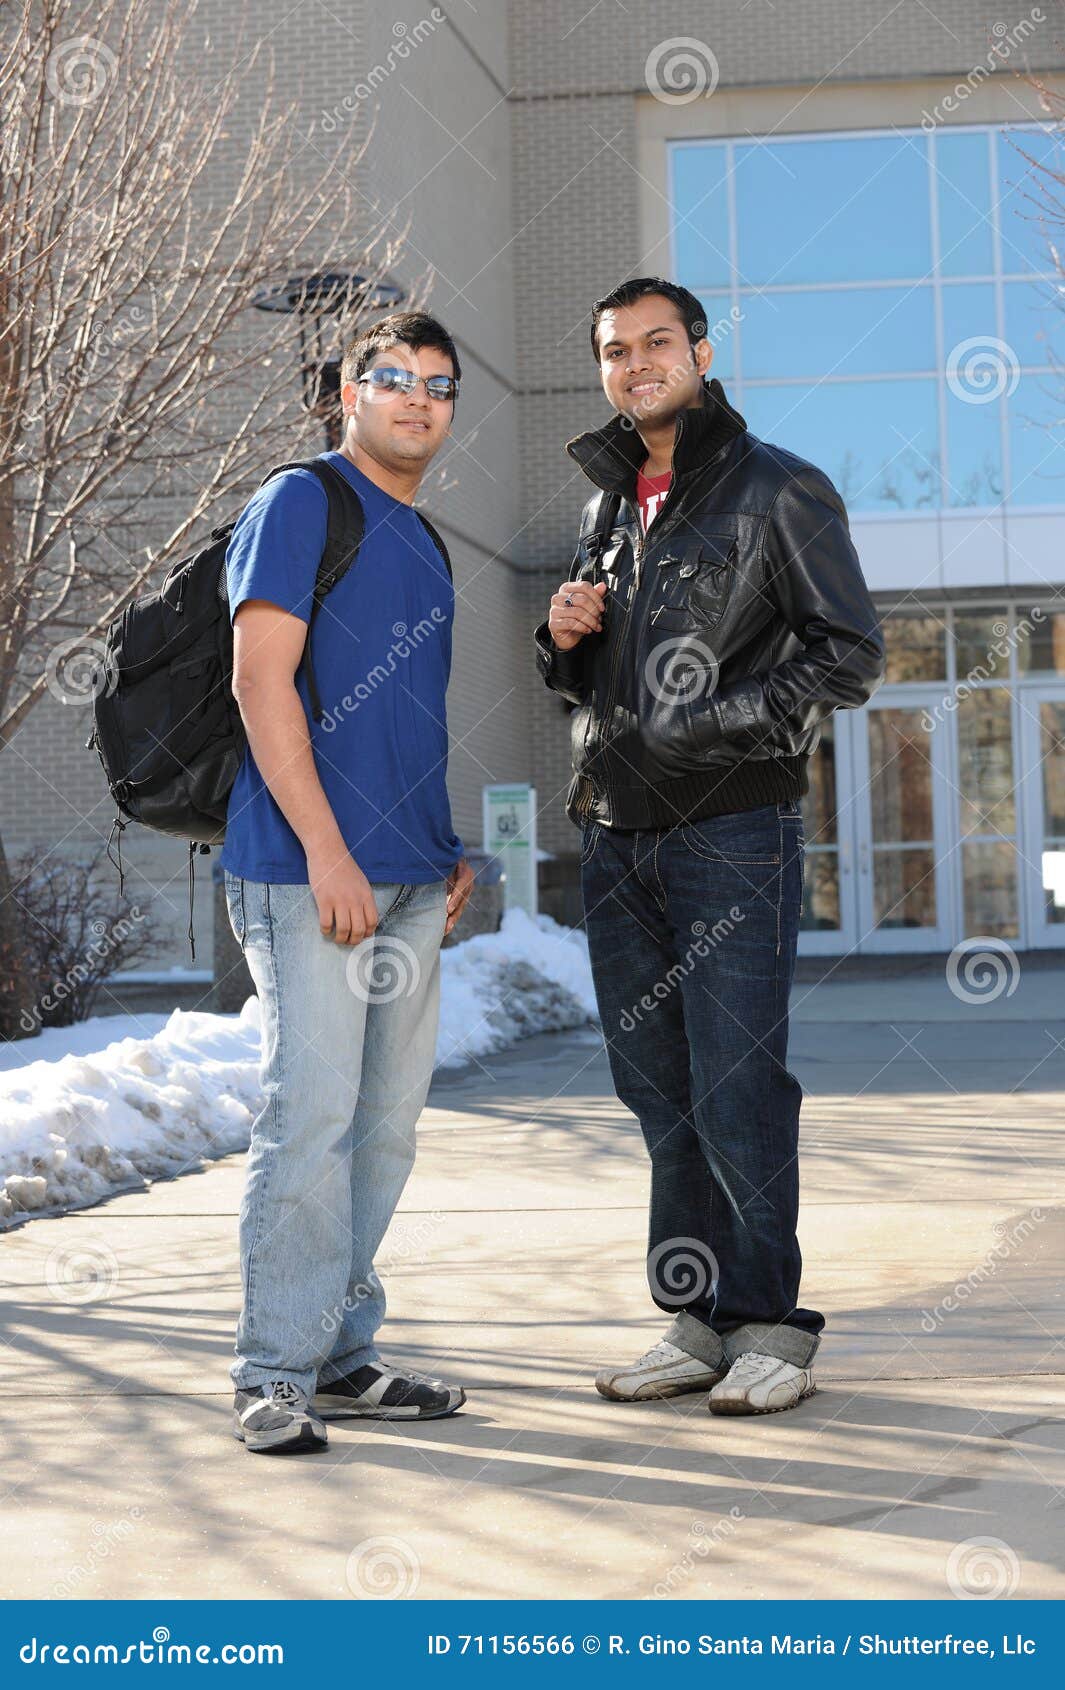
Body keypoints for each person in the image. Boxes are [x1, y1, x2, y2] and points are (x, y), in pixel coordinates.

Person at [534, 278, 885, 1416]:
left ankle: (772, 1323)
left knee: (737, 1079)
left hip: (732, 826)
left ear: (700, 352)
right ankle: (693, 1317)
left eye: (655, 344)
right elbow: (595, 682)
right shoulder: (604, 509)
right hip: (615, 828)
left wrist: (708, 729)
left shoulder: (778, 486)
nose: (635, 365)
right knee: (657, 1086)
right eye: (613, 350)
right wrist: (560, 642)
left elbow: (848, 655)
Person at [222, 311, 475, 1453]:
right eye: (393, 379)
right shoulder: (301, 502)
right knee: (311, 1119)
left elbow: (410, 722)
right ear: (345, 393)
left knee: (383, 1132)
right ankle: (272, 1370)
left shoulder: (428, 541)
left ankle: (340, 1353)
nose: (418, 399)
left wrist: (443, 846)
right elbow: (259, 681)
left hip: (411, 881)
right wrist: (329, 848)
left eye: (438, 385)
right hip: (304, 870)